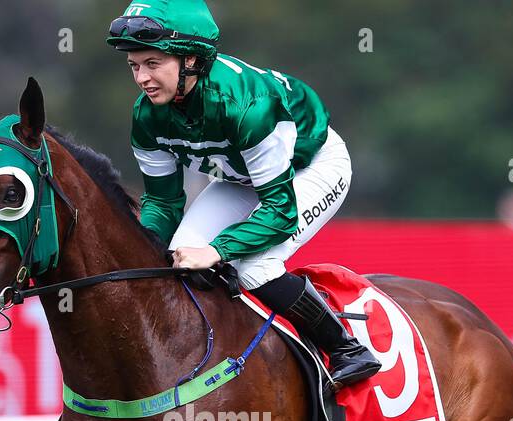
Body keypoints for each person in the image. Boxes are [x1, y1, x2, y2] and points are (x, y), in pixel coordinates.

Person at [105, 0, 381, 388]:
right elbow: (164, 203)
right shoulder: (147, 116)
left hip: (311, 168)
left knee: (252, 267)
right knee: (180, 255)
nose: (142, 78)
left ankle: (346, 349)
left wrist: (218, 250)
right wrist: (140, 249)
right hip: (241, 178)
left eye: (153, 64)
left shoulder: (246, 105)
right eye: (134, 66)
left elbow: (279, 210)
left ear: (191, 60)